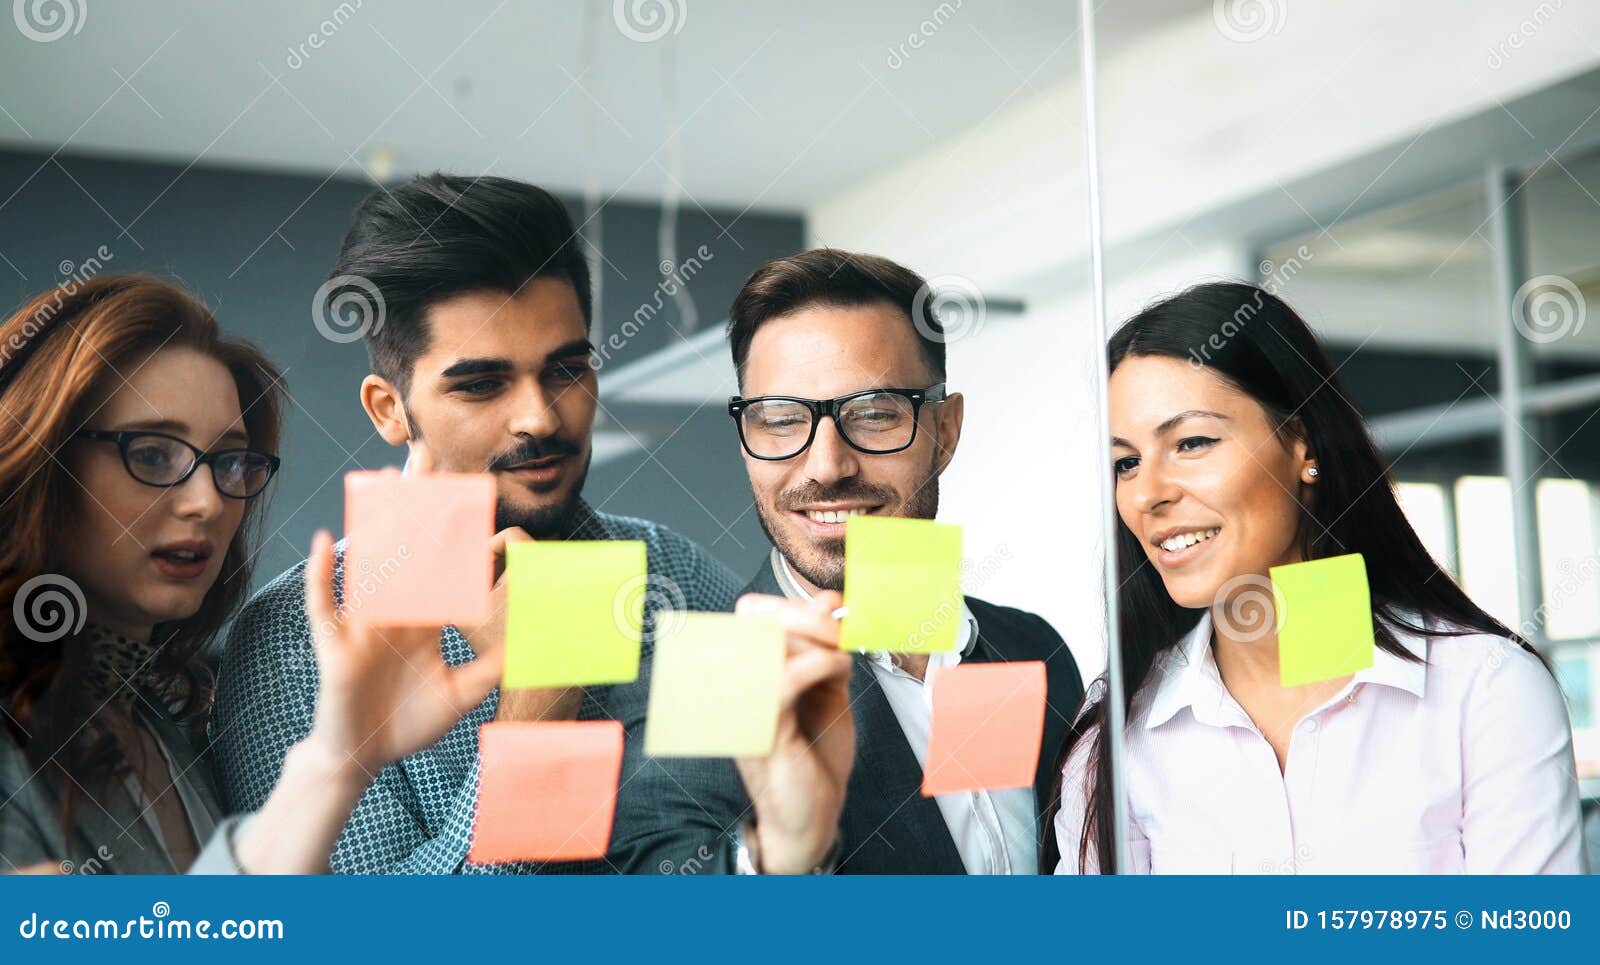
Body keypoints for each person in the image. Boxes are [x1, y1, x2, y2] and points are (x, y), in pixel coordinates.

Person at [213, 174, 852, 875]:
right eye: (482, 384)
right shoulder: (296, 641)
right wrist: (540, 697)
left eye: (566, 370)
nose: (541, 418)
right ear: (389, 409)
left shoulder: (675, 572)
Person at [1051, 281, 1587, 874]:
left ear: (1303, 444)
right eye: (1125, 462)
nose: (1148, 493)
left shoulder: (1483, 690)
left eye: (1192, 442)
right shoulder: (1117, 725)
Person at [0, 275, 502, 874]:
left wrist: (343, 754)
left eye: (231, 462)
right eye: (154, 454)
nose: (208, 503)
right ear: (43, 458)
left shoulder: (165, 722)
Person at [609, 248, 1084, 874]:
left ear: (945, 431)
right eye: (780, 420)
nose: (827, 466)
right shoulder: (709, 674)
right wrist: (782, 851)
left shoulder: (1029, 645)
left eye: (873, 414)